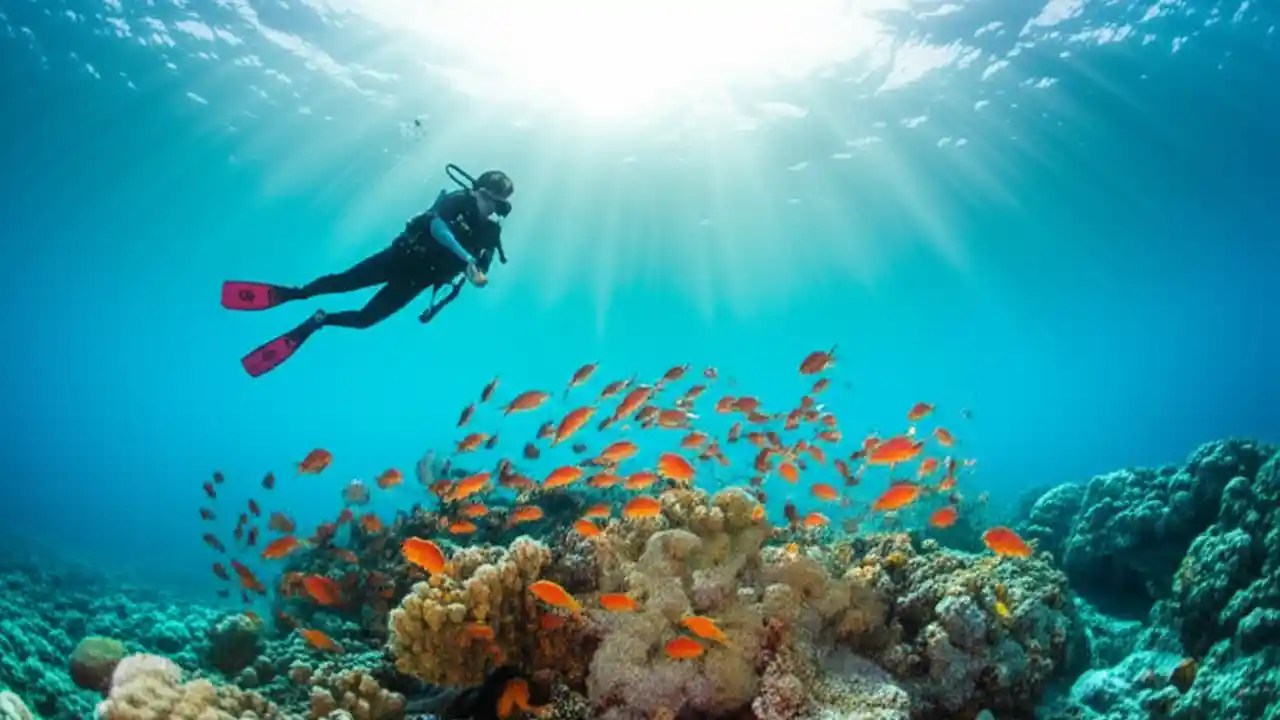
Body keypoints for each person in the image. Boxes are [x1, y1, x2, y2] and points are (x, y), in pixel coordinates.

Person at [222, 165, 513, 377]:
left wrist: (478, 276)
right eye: (491, 200)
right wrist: (465, 258)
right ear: (479, 191)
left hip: (418, 281)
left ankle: (320, 320)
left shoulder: (489, 232)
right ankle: (295, 294)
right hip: (400, 258)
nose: (492, 209)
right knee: (343, 282)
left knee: (365, 320)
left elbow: (480, 272)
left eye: (499, 205)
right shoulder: (458, 199)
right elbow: (437, 228)